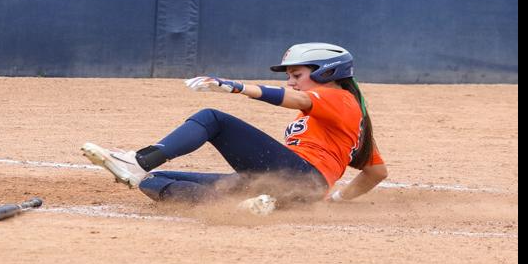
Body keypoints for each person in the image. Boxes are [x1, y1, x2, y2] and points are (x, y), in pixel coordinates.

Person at [81, 43, 388, 211]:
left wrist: (236, 87)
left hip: (302, 179)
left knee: (213, 118)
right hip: (289, 189)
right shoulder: (349, 119)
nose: (291, 81)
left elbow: (291, 99)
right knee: (154, 181)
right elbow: (376, 172)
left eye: (297, 74)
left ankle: (139, 160)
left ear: (327, 73)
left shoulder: (340, 99)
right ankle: (238, 207)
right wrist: (336, 199)